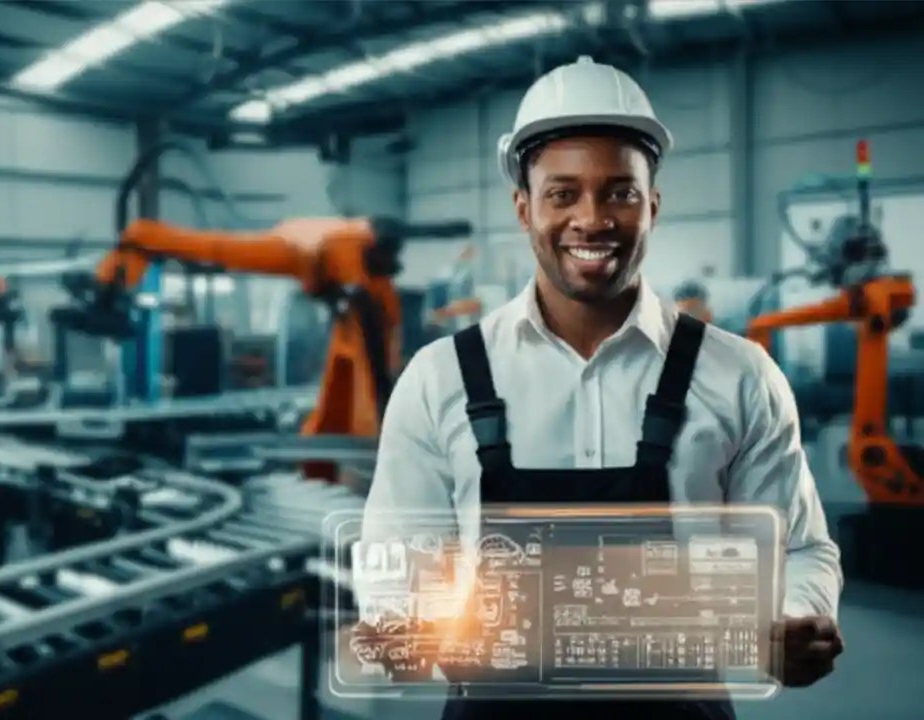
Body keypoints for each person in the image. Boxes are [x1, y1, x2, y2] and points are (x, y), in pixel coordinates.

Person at [360, 56, 844, 719]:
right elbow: (396, 561)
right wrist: (404, 623)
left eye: (619, 191)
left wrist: (792, 620)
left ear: (654, 204)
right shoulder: (439, 378)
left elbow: (800, 550)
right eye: (563, 193)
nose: (592, 219)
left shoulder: (739, 376)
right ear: (524, 207)